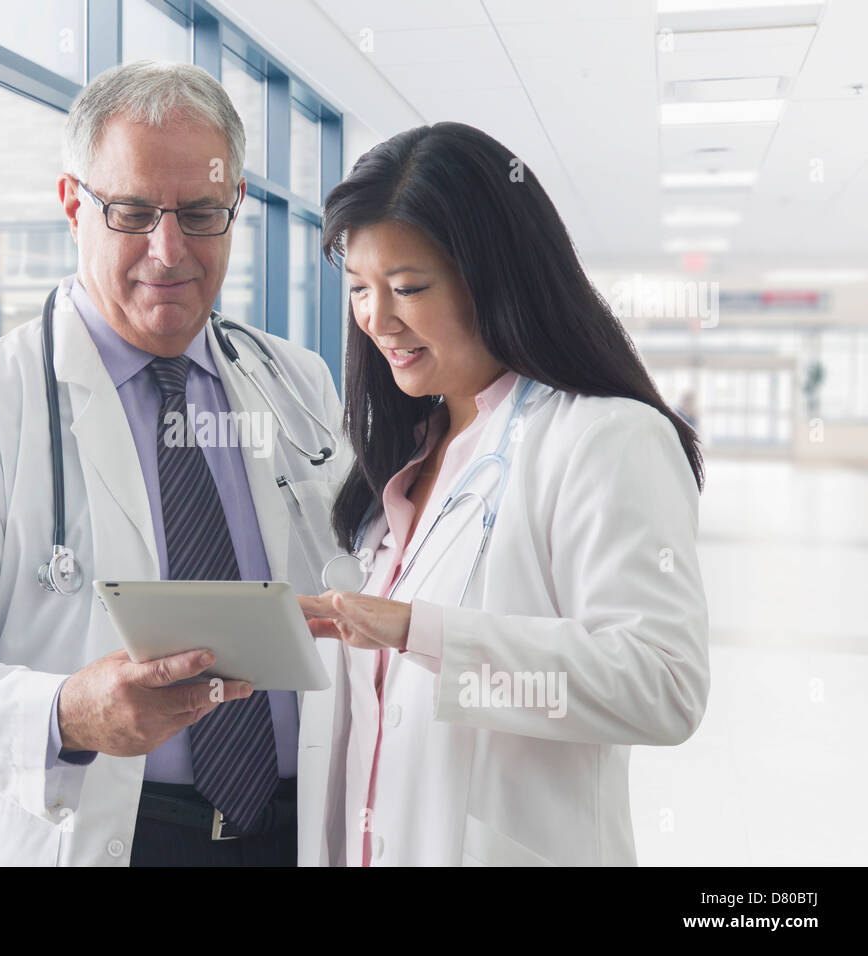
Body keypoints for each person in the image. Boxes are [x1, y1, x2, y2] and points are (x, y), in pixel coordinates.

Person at [0, 60, 349, 866]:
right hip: (90, 831)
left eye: (200, 214)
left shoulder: (296, 383)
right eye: (130, 212)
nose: (168, 250)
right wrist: (64, 713)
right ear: (72, 206)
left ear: (237, 209)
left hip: (288, 830)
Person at [296, 122, 710, 866]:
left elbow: (663, 684)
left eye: (409, 287)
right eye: (359, 287)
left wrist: (423, 632)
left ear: (497, 275)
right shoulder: (402, 457)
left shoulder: (605, 439)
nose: (376, 319)